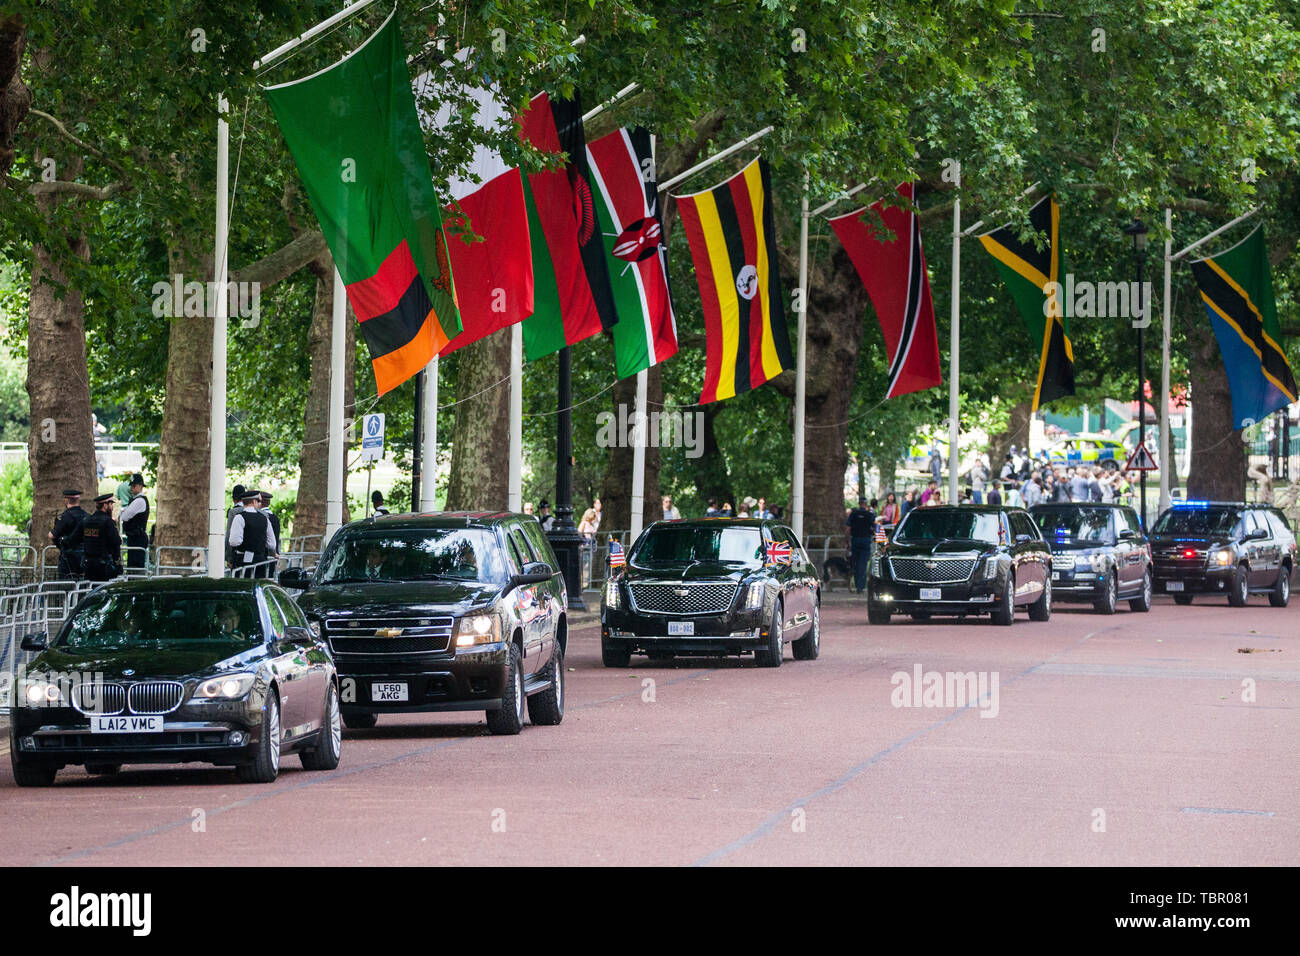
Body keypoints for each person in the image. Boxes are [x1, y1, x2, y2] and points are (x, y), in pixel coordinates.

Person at [66, 493, 122, 582]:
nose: (112, 507)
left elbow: (73, 540)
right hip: (104, 566)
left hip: (88, 565)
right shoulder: (107, 522)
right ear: (105, 505)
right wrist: (118, 563)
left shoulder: (86, 520)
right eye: (111, 504)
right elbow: (116, 542)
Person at [227, 490, 276, 577]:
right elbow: (272, 544)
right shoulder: (265, 518)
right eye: (259, 501)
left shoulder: (239, 517)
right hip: (261, 561)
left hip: (243, 562)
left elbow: (234, 542)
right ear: (254, 501)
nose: (260, 504)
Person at [48, 489, 87, 579]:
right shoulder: (86, 515)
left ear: (66, 500)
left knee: (66, 582)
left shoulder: (66, 516)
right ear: (78, 500)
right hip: (84, 555)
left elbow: (52, 535)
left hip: (69, 556)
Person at [119, 472, 149, 570]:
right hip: (135, 536)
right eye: (131, 485)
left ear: (140, 486)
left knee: (135, 566)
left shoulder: (139, 500)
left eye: (134, 485)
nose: (131, 487)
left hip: (137, 537)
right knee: (133, 565)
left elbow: (124, 517)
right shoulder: (136, 499)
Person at [846, 497, 876, 593]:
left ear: (859, 504)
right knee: (863, 564)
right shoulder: (870, 515)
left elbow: (847, 528)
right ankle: (861, 587)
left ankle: (857, 584)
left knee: (855, 563)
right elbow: (875, 528)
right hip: (866, 540)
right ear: (865, 504)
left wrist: (847, 541)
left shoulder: (853, 514)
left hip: (855, 540)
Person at [225, 484, 247, 568]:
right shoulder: (256, 511)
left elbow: (229, 536)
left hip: (237, 555)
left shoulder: (233, 512)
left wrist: (229, 558)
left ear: (233, 499)